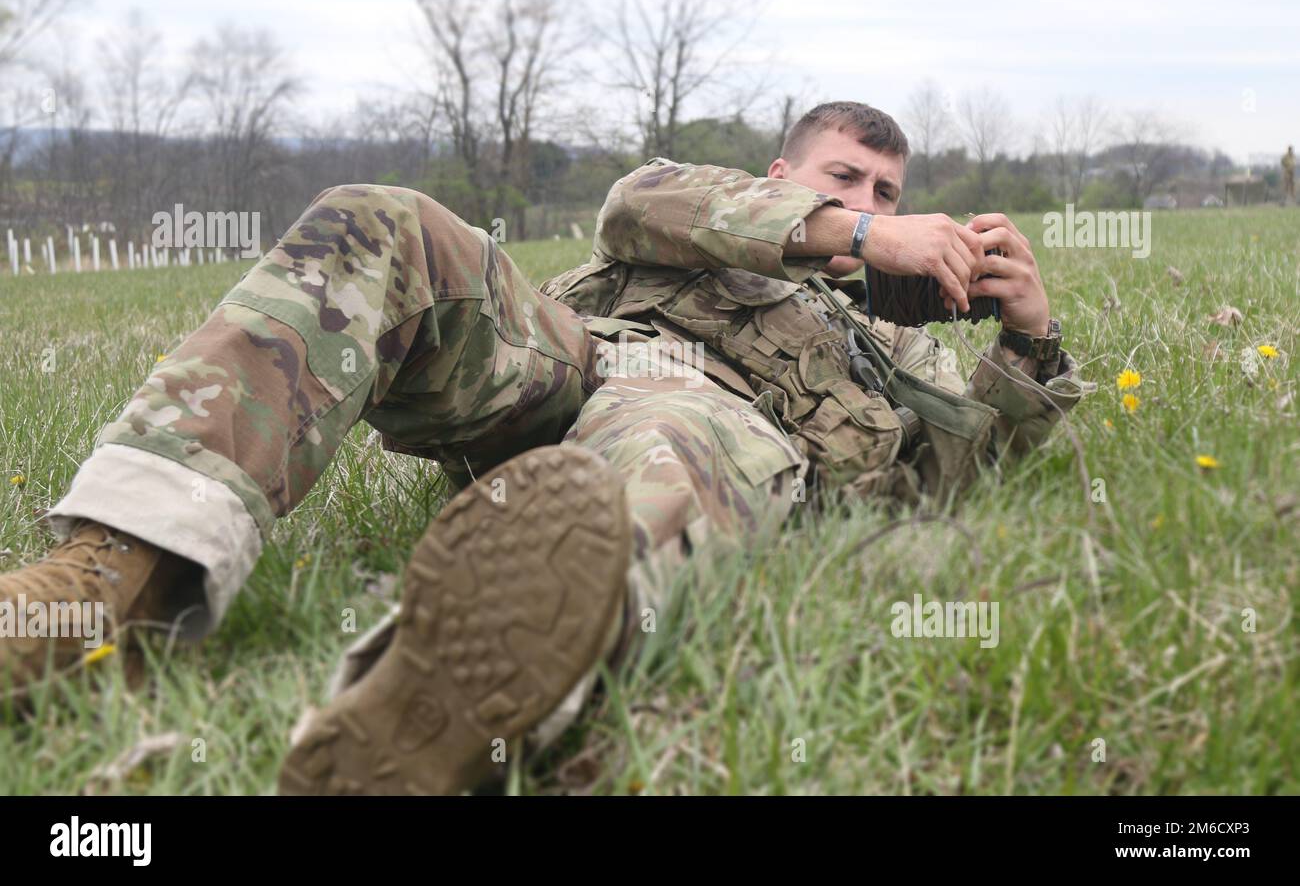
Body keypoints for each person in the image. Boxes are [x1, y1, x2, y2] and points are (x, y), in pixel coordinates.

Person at [0, 101, 1089, 795]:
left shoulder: (893, 347)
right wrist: (851, 235)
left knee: (665, 454)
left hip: (701, 417)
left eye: (887, 192)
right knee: (377, 215)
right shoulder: (697, 203)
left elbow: (970, 472)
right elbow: (634, 201)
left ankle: (431, 705)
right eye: (842, 176)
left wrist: (1029, 334)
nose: (866, 201)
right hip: (561, 354)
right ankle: (116, 575)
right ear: (781, 171)